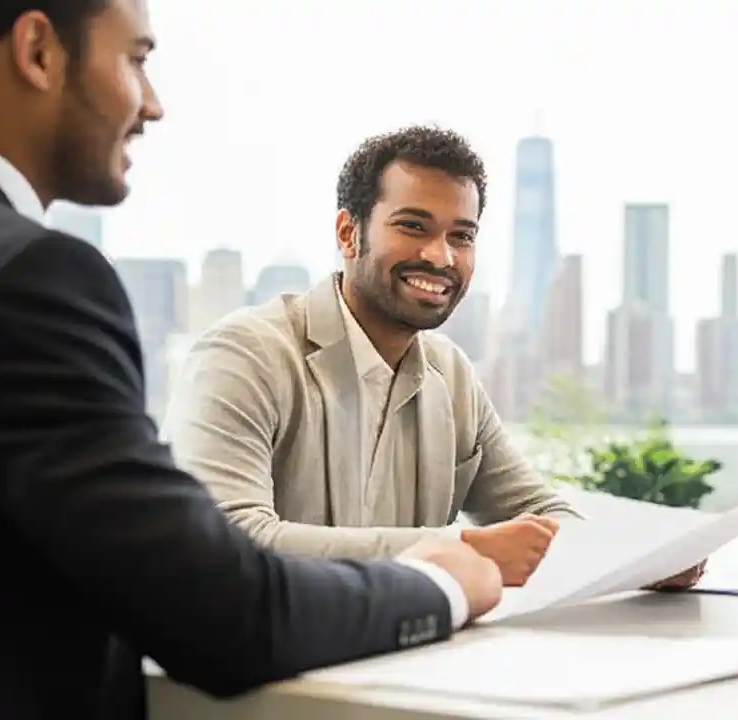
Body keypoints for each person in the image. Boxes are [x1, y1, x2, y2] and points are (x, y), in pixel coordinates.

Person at [0, 2, 503, 718]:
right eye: (136, 59)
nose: (152, 105)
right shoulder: (33, 279)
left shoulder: (451, 374)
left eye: (460, 235)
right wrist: (441, 583)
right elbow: (216, 606)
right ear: (38, 50)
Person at [161, 127, 583, 587]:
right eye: (413, 226)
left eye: (461, 236)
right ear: (348, 233)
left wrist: (652, 561)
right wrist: (457, 550)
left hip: (405, 653)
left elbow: (541, 517)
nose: (441, 257)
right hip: (260, 656)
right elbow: (223, 542)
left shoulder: (453, 375)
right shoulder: (245, 355)